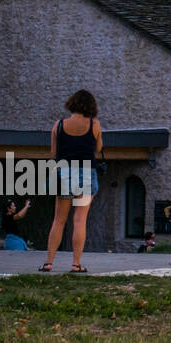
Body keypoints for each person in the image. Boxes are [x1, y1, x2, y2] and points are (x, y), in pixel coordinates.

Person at [40, 90, 102, 273]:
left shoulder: (58, 125)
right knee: (79, 220)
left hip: (65, 173)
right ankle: (76, 264)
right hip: (86, 173)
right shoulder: (94, 125)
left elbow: (53, 153)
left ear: (71, 104)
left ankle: (49, 262)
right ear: (91, 106)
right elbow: (98, 148)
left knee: (59, 220)